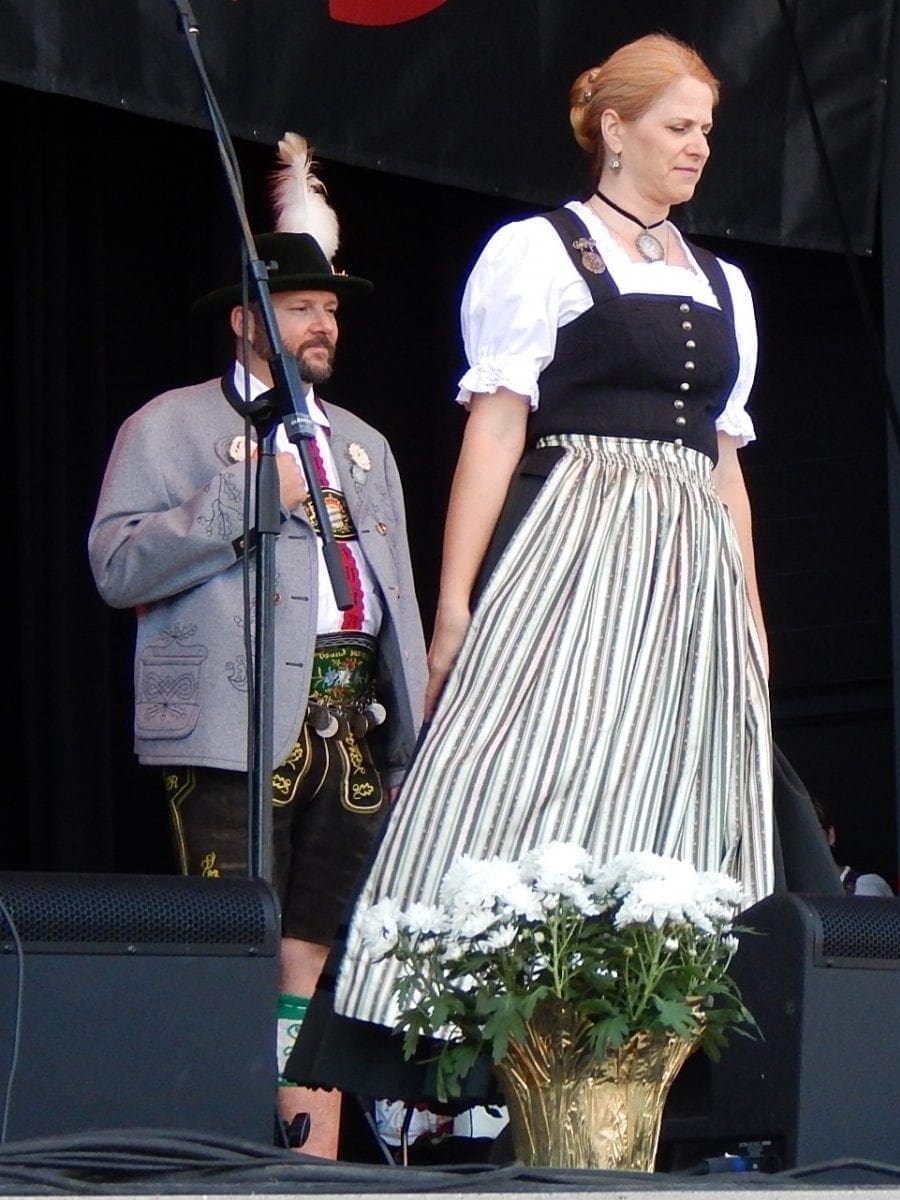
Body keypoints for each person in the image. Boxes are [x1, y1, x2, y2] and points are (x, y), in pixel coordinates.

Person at [297, 32, 773, 1096]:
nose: (697, 147)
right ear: (615, 128)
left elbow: (727, 468)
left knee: (678, 784)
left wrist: (751, 612)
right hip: (577, 537)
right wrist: (455, 603)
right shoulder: (541, 250)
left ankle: (657, 1058)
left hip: (690, 553)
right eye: (676, 127)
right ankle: (467, 1041)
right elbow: (495, 433)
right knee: (534, 769)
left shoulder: (723, 282)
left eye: (705, 130)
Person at [86, 135, 427, 1159]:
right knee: (236, 948)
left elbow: (395, 599)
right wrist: (248, 498)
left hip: (349, 721)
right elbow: (116, 566)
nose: (325, 323)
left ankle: (310, 1167)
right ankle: (225, 1156)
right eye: (301, 308)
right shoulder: (170, 427)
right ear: (247, 321)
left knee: (311, 961)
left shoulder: (364, 443)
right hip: (234, 724)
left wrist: (418, 728)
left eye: (330, 309)